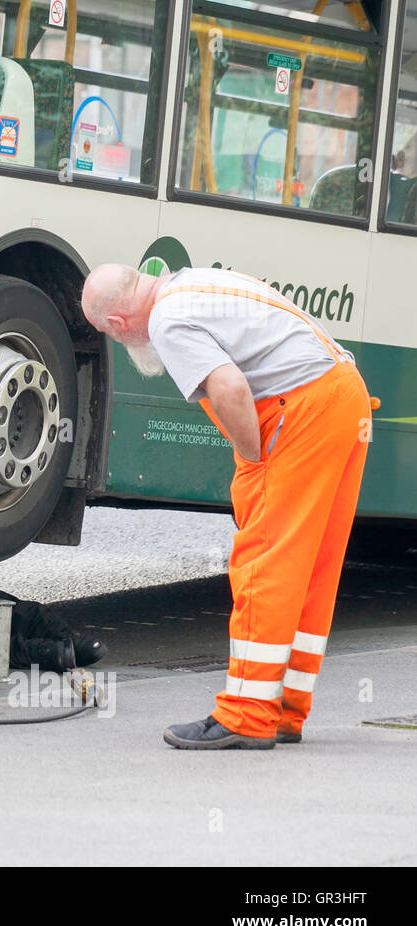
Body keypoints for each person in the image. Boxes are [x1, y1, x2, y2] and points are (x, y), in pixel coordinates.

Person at [81, 263, 373, 750]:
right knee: (312, 566)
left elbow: (232, 389)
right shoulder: (193, 282)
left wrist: (255, 462)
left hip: (301, 411)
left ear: (115, 325)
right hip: (345, 398)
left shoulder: (167, 320)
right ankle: (283, 708)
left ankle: (246, 715)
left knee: (265, 560)